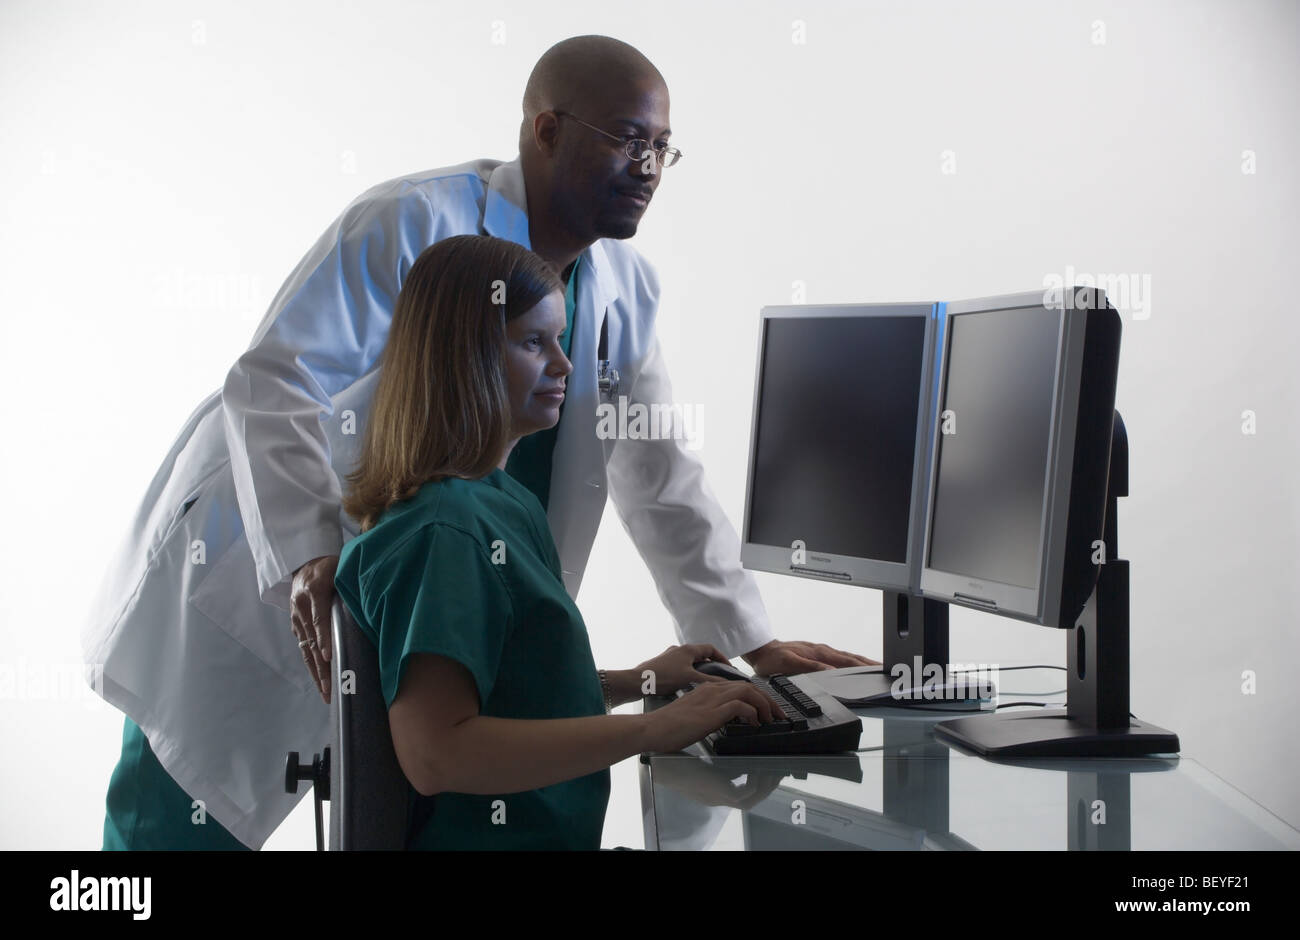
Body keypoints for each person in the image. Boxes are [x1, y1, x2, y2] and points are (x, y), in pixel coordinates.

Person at [87, 34, 873, 851]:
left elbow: (659, 470)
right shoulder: (410, 222)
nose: (649, 166)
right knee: (170, 831)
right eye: (628, 139)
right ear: (546, 131)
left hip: (420, 625)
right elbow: (276, 381)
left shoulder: (623, 287)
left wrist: (750, 645)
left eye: (663, 148)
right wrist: (310, 554)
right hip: (249, 571)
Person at [334, 235, 784, 849]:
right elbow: (437, 751)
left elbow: (509, 694)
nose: (565, 364)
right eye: (532, 342)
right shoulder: (445, 533)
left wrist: (637, 682)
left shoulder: (502, 502)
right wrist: (654, 731)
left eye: (561, 338)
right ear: (460, 357)